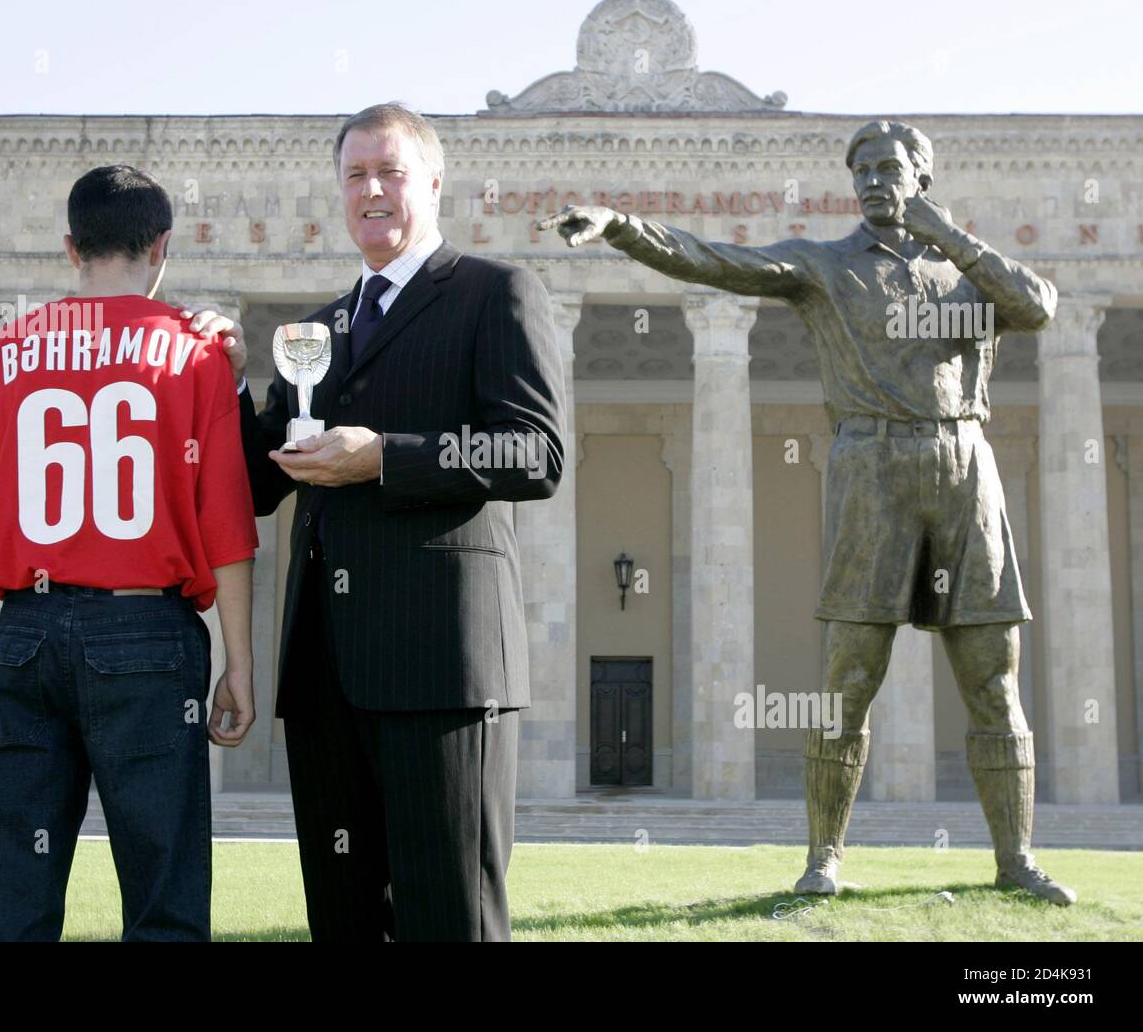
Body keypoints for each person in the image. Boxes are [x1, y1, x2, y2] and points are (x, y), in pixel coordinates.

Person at [538, 119, 1074, 904]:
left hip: (965, 468)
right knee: (848, 675)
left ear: (921, 179)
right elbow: (715, 262)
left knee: (993, 678)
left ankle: (1016, 861)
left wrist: (949, 236)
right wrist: (625, 228)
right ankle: (824, 858)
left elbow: (1038, 309)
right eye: (860, 170)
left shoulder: (967, 274)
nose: (872, 181)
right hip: (871, 468)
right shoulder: (825, 267)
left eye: (889, 168)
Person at [189, 103, 567, 940]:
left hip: (441, 668)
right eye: (355, 175)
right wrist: (231, 384)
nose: (372, 190)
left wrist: (384, 455)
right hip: (325, 676)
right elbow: (256, 485)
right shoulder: (314, 332)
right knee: (344, 920)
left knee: (449, 919)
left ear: (431, 182)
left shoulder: (495, 293)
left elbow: (536, 454)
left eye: (390, 171)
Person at [0, 164, 259, 941]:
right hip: (148, 638)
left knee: (16, 899)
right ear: (163, 247)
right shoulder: (197, 353)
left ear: (72, 248)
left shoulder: (7, 349)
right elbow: (227, 530)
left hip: (27, 635)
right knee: (163, 892)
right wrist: (238, 663)